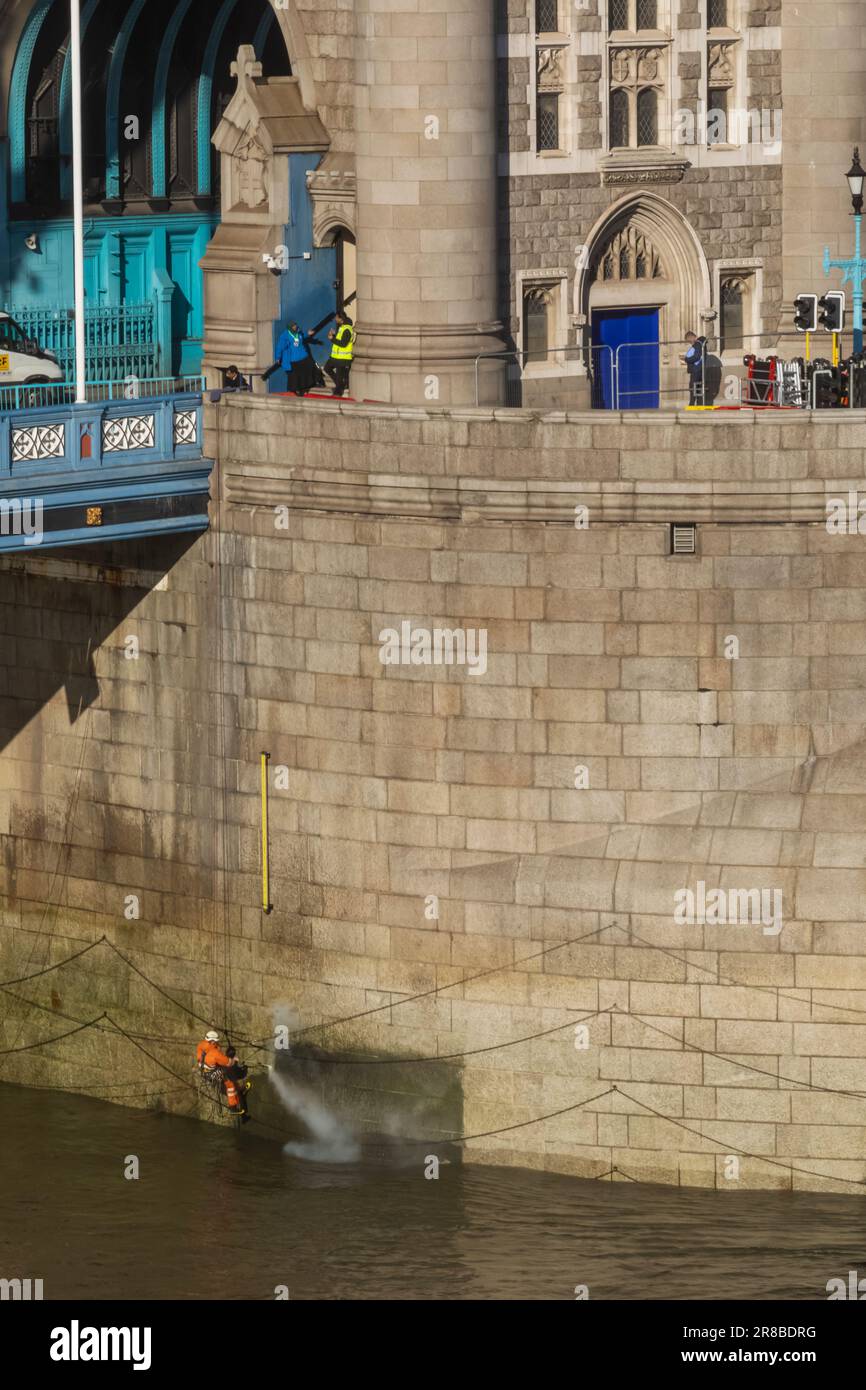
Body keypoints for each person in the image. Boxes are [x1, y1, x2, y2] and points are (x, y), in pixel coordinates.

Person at [196, 1030, 248, 1119]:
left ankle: (236, 1090)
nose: (217, 1043)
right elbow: (228, 1063)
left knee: (225, 1074)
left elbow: (211, 1054)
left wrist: (217, 1050)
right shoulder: (215, 1053)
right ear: (212, 1041)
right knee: (230, 1084)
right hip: (211, 1073)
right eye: (216, 1041)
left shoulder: (201, 1045)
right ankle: (233, 1108)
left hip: (204, 1070)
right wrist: (234, 1060)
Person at [272, 321, 317, 395]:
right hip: (293, 359)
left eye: (295, 325)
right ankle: (295, 390)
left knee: (306, 372)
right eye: (293, 326)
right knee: (295, 377)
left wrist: (307, 334)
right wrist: (278, 357)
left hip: (303, 356)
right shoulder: (285, 336)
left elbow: (301, 337)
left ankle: (305, 388)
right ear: (290, 328)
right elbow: (280, 347)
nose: (295, 327)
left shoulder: (298, 332)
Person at [323, 312, 355, 398]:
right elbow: (339, 340)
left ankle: (338, 393)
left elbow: (343, 344)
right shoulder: (342, 328)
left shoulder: (347, 330)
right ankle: (340, 384)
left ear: (341, 318)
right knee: (327, 368)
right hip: (335, 357)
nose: (335, 319)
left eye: (336, 317)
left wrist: (332, 339)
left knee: (339, 376)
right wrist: (334, 335)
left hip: (342, 359)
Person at [681, 330, 706, 406]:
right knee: (695, 387)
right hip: (696, 369)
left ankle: (692, 404)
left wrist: (686, 359)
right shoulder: (697, 344)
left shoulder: (698, 344)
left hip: (696, 370)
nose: (690, 343)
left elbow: (696, 357)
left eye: (689, 341)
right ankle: (698, 404)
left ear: (692, 337)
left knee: (693, 387)